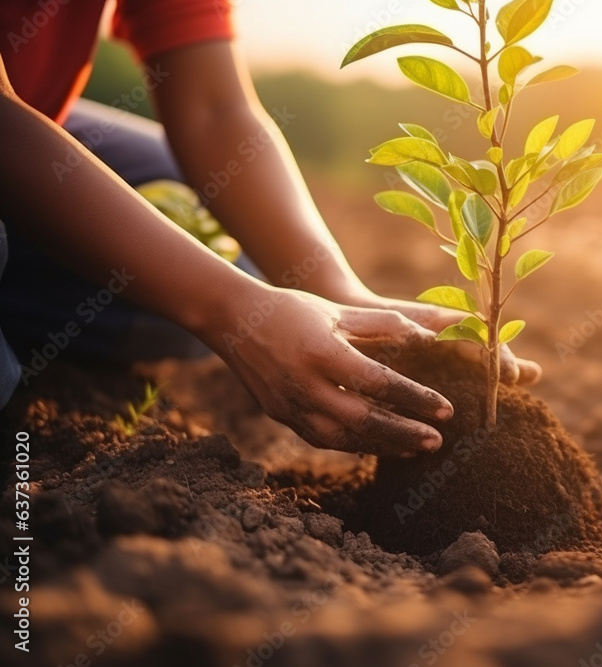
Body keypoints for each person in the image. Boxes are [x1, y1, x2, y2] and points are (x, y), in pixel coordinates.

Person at [0, 0, 539, 457]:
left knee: (246, 263)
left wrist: (339, 293)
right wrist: (229, 312)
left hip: (31, 121)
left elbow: (214, 106)